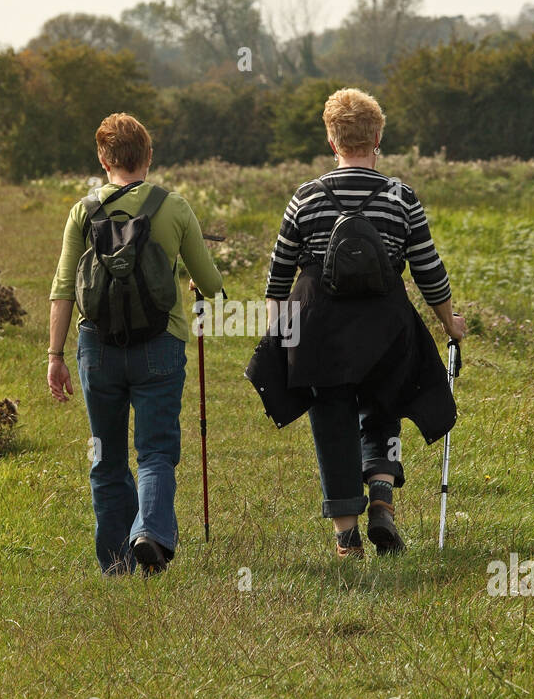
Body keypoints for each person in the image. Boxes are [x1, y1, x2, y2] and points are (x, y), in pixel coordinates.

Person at [248, 88, 464, 558]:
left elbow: (278, 274)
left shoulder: (305, 198)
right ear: (378, 136)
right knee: (384, 403)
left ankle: (347, 536)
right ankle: (382, 500)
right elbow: (428, 268)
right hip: (386, 327)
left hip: (319, 330)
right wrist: (450, 322)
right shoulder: (400, 196)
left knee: (331, 419)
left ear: (332, 141)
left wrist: (278, 336)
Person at [48, 113, 223, 575]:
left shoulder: (82, 212)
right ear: (148, 156)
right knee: (157, 450)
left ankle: (116, 564)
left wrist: (55, 355)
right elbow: (211, 283)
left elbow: (64, 287)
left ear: (103, 159)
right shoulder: (174, 206)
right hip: (160, 344)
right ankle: (151, 534)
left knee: (106, 455)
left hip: (97, 348)